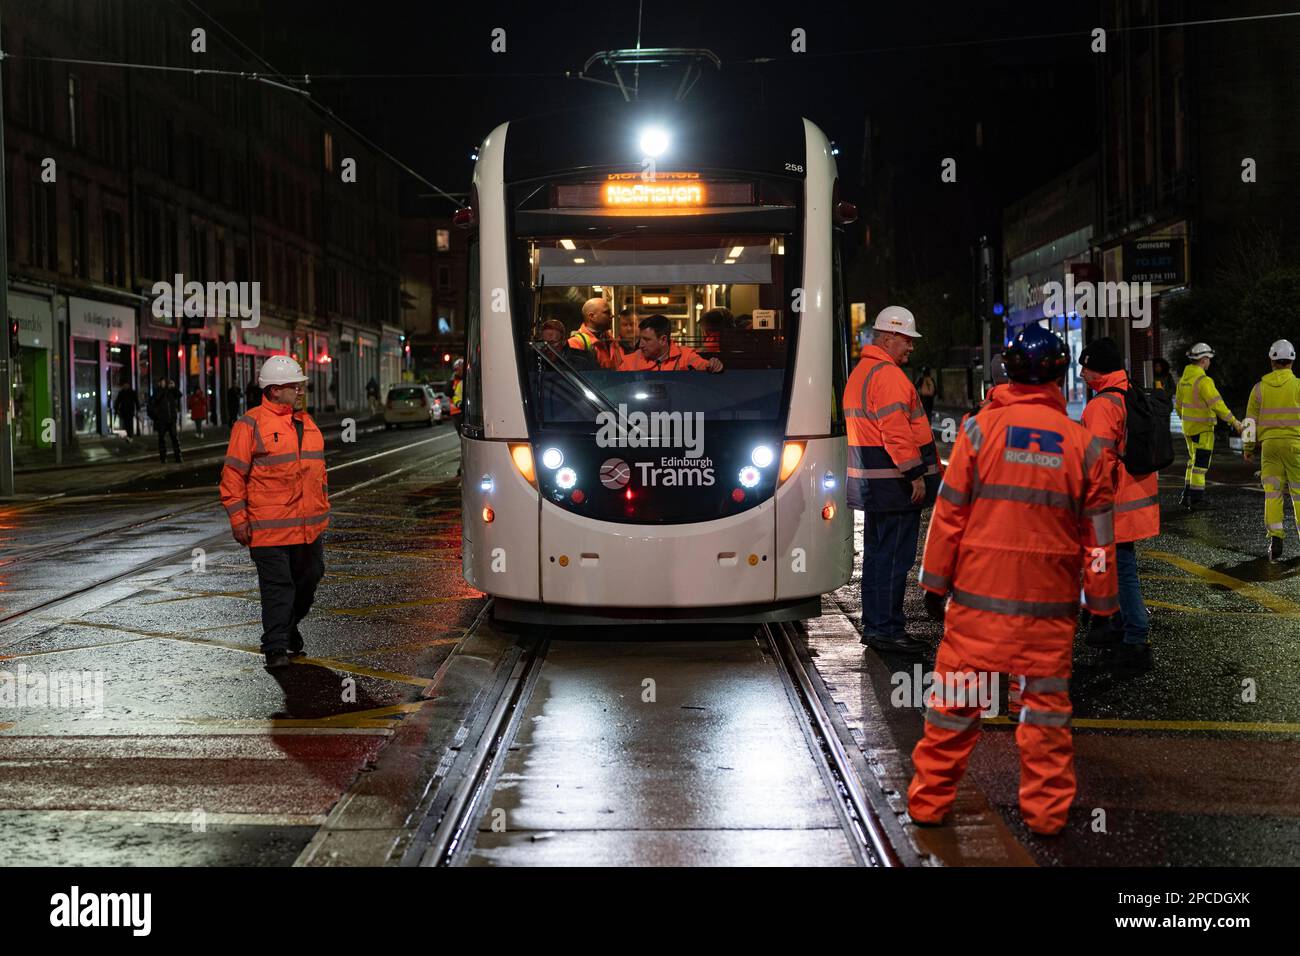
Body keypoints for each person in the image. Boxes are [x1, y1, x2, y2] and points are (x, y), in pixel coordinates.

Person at [909, 324, 1118, 836]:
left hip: (977, 607)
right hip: (1048, 611)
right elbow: (1099, 541)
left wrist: (933, 585)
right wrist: (1105, 605)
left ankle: (928, 806)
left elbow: (949, 515)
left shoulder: (979, 432)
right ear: (1059, 374)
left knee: (953, 712)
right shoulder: (1084, 446)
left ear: (1008, 370)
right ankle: (1046, 817)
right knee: (1045, 718)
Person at [219, 355, 329, 670]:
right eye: (294, 386)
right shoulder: (251, 424)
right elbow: (232, 477)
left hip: (308, 527)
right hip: (268, 530)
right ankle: (276, 646)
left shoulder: (306, 423)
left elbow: (318, 473)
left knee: (308, 580)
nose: (300, 391)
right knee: (279, 587)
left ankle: (288, 625)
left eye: (300, 386)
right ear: (274, 390)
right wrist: (239, 521)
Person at [843, 306, 940, 655]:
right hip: (895, 484)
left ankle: (877, 625)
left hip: (874, 484)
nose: (910, 347)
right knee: (895, 559)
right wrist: (914, 474)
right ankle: (887, 629)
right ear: (887, 337)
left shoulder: (862, 372)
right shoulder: (888, 376)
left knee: (877, 556)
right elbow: (896, 432)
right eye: (906, 340)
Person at [1078, 337, 1159, 674]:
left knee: (1123, 570)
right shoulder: (1129, 393)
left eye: (1086, 367)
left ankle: (1135, 641)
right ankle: (1122, 630)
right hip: (1134, 499)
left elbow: (1096, 464)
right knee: (1119, 566)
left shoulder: (1102, 406)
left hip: (1114, 503)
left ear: (1100, 368)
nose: (1082, 373)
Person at [1244, 339, 1300, 561]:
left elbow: (1250, 422)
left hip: (1270, 448)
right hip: (1296, 446)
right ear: (1292, 361)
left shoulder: (1258, 389)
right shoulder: (1298, 386)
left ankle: (1275, 541)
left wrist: (1248, 448)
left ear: (1271, 361)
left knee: (1273, 493)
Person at [1175, 343, 1242, 510]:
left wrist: (1186, 420)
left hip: (1188, 428)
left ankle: (1187, 495)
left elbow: (1178, 405)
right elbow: (1218, 405)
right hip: (1203, 428)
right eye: (1209, 359)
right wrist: (1234, 421)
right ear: (1203, 360)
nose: (1210, 363)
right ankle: (1197, 499)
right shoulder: (1203, 381)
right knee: (1200, 464)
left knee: (1192, 461)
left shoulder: (1184, 380)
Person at [619, 314, 723, 372]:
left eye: (646, 340)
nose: (640, 345)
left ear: (663, 340)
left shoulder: (686, 356)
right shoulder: (630, 361)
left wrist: (713, 364)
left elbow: (704, 366)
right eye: (640, 339)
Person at [567, 297, 625, 370]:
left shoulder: (609, 339)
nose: (612, 315)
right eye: (607, 312)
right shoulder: (575, 344)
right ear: (592, 316)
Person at [147, 379, 182, 464]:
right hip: (161, 421)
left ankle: (178, 457)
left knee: (175, 438)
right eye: (162, 382)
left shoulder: (170, 392)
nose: (164, 383)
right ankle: (163, 458)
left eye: (165, 382)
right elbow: (156, 399)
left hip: (171, 420)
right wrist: (157, 417)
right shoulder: (157, 392)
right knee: (161, 439)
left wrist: (174, 388)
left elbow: (179, 395)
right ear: (159, 383)